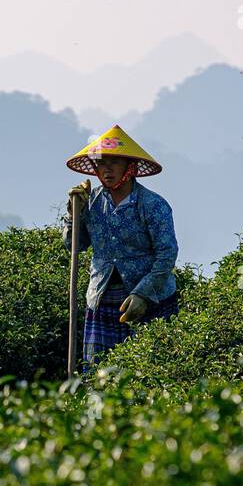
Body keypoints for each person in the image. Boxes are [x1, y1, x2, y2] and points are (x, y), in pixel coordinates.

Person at [62, 125, 180, 368]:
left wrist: (143, 294)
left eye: (114, 163)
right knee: (98, 373)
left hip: (151, 299)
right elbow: (74, 245)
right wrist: (73, 213)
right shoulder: (91, 202)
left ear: (130, 167)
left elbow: (167, 254)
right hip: (103, 297)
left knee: (150, 372)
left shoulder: (152, 205)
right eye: (102, 163)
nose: (107, 169)